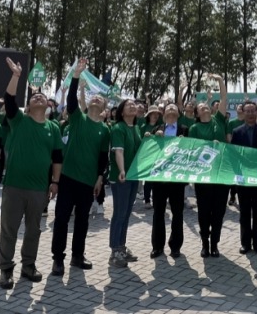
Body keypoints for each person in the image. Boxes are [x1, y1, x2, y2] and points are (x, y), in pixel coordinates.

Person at [0, 58, 63, 290]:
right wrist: (16, 76)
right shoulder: (18, 120)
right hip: (14, 185)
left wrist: (55, 182)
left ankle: (29, 266)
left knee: (34, 230)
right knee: (9, 230)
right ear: (30, 103)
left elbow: (57, 158)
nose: (38, 97)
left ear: (48, 105)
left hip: (39, 188)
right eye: (35, 96)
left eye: (42, 97)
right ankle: (6, 270)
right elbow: (9, 100)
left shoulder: (53, 128)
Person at [50, 59, 110, 276]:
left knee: (83, 221)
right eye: (93, 97)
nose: (95, 98)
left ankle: (77, 256)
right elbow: (72, 101)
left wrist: (99, 178)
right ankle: (58, 258)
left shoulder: (105, 130)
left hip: (87, 182)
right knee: (62, 219)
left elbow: (103, 157)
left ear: (103, 108)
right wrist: (76, 75)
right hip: (67, 178)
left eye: (100, 98)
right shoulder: (77, 118)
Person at [189, 73, 230, 258]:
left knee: (219, 211)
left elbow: (223, 98)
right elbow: (192, 152)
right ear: (197, 113)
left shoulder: (219, 120)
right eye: (201, 107)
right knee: (204, 211)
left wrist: (220, 81)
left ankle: (215, 243)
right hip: (203, 175)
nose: (204, 107)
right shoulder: (194, 129)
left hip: (221, 174)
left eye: (206, 105)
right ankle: (205, 242)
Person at [149, 103, 190, 259]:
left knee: (177, 213)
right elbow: (150, 150)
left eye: (174, 109)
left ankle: (175, 246)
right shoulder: (157, 130)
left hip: (177, 179)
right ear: (163, 114)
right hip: (159, 179)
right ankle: (157, 247)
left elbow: (191, 151)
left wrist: (184, 142)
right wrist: (152, 138)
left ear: (178, 114)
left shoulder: (185, 130)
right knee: (158, 213)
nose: (171, 111)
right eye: (169, 109)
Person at [108, 97, 143, 268]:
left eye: (134, 105)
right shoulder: (118, 128)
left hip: (133, 177)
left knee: (127, 213)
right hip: (121, 176)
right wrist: (122, 170)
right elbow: (119, 151)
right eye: (128, 105)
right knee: (119, 213)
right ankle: (115, 251)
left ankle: (121, 246)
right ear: (121, 112)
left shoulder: (136, 128)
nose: (132, 107)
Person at [231, 100, 257, 255]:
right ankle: (245, 243)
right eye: (247, 111)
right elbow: (233, 155)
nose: (250, 114)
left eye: (253, 111)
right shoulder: (237, 131)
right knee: (245, 212)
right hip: (243, 178)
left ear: (256, 112)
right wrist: (236, 176)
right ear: (243, 113)